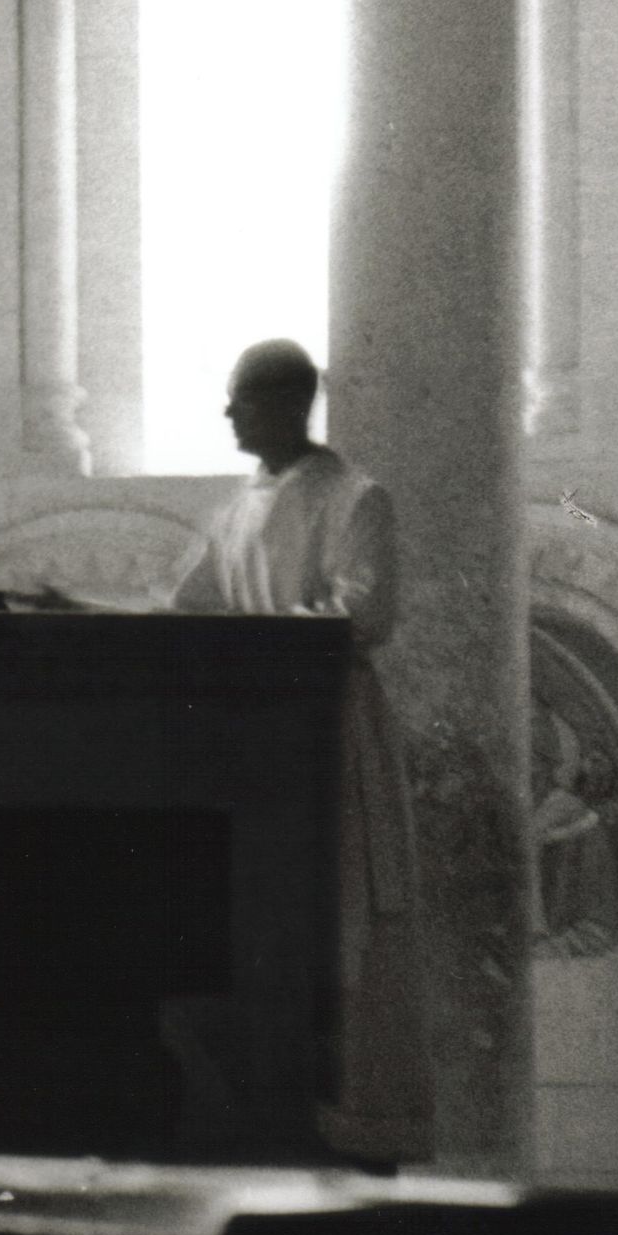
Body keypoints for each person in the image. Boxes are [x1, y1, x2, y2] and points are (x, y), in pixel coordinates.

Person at [165, 339, 434, 1169]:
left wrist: (269, 633)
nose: (226, 414)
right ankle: (269, 1109)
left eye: (240, 399)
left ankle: (354, 1119)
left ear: (289, 403)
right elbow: (184, 609)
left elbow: (366, 614)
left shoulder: (356, 498)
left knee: (344, 915)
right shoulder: (237, 509)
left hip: (329, 730)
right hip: (252, 741)